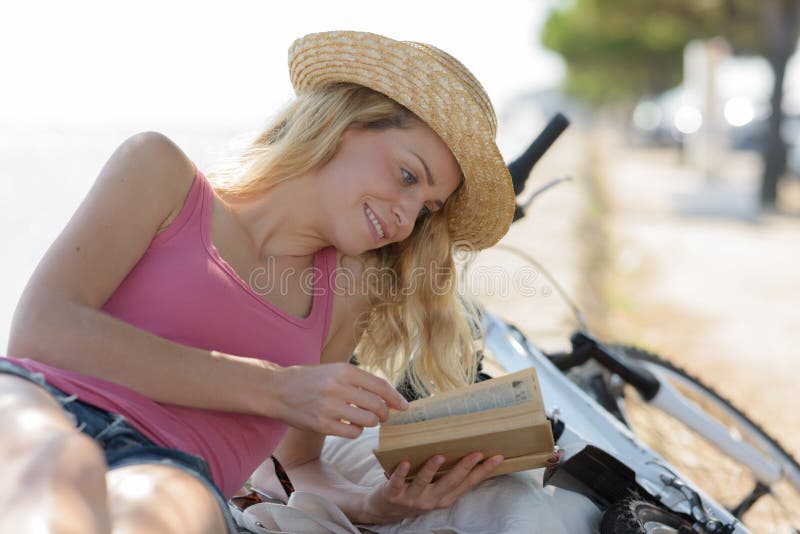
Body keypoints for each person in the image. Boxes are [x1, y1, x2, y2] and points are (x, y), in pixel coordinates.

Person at [0, 30, 525, 533]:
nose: (408, 218)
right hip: (45, 402)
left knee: (155, 503)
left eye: (426, 208)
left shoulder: (345, 292)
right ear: (347, 125)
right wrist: (273, 388)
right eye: (408, 176)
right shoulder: (160, 172)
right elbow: (40, 332)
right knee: (55, 459)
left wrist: (375, 505)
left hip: (177, 469)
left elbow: (299, 465)